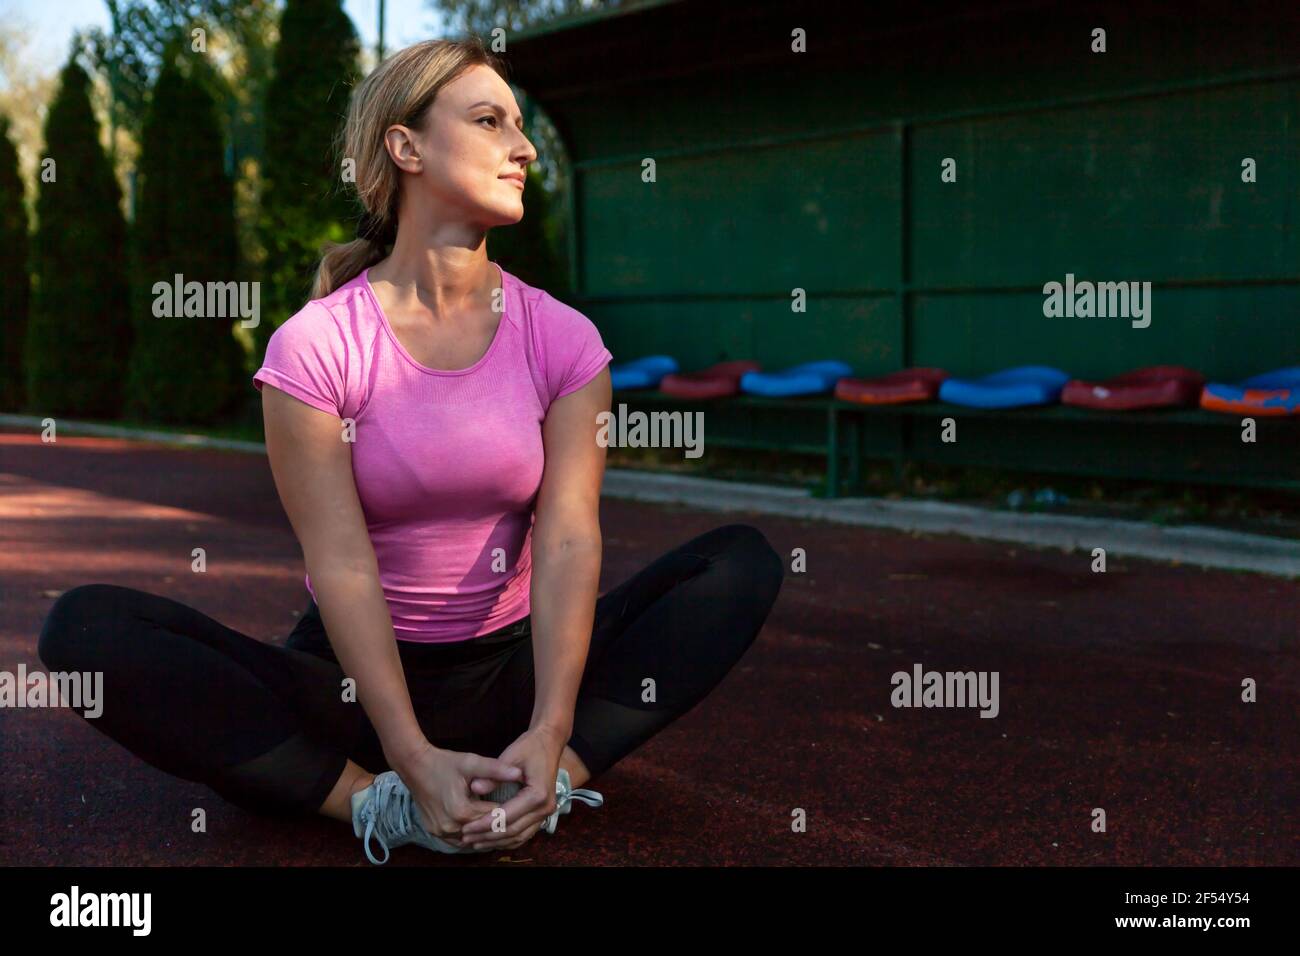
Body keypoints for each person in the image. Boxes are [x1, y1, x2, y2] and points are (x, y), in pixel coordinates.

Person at [37, 37, 784, 865]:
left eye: (521, 125)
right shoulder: (317, 345)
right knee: (85, 630)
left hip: (512, 675)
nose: (525, 146)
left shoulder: (566, 341)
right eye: (489, 120)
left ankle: (545, 782)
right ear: (406, 147)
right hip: (356, 688)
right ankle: (378, 803)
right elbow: (342, 559)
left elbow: (570, 538)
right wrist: (407, 756)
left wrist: (552, 728)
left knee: (740, 562)